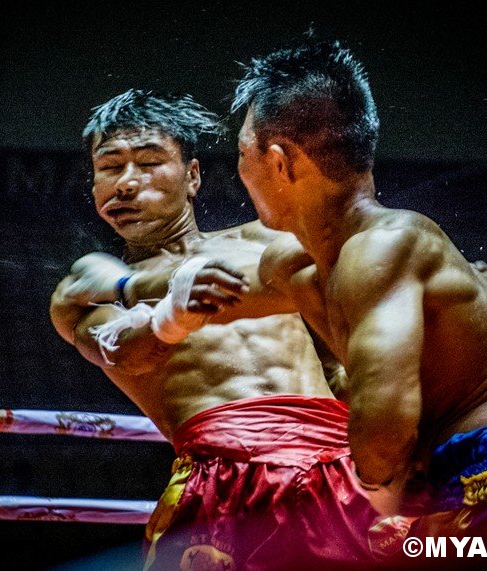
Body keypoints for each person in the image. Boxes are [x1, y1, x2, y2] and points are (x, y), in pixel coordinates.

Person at [230, 37, 487, 541]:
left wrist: (370, 512)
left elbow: (384, 440)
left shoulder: (380, 248)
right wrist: (140, 298)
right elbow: (213, 288)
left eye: (241, 152)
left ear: (279, 162)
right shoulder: (345, 259)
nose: (239, 172)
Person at [49, 89, 393, 570]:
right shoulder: (92, 285)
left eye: (149, 163)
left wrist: (437, 290)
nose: (126, 183)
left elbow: (342, 353)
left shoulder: (271, 243)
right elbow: (122, 352)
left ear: (192, 176)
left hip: (336, 463)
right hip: (221, 477)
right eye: (109, 168)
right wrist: (171, 317)